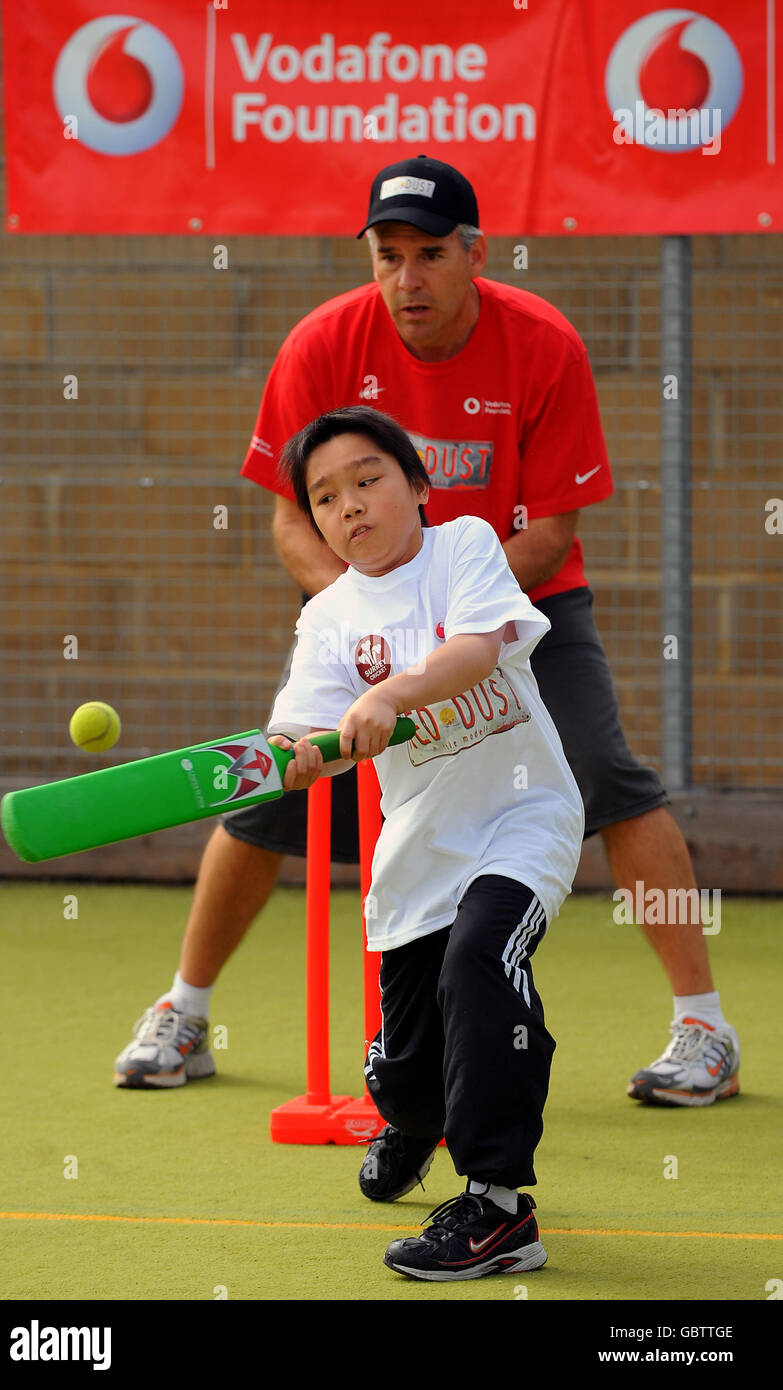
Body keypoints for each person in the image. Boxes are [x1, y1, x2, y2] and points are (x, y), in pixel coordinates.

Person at [114, 155, 739, 1111]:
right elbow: (289, 520)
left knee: (607, 779)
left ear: (475, 253)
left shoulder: (542, 344)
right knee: (278, 785)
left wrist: (449, 629)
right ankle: (184, 1010)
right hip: (369, 621)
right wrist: (374, 619)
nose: (408, 278)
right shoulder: (324, 344)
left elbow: (553, 531)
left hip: (519, 609)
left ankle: (703, 1026)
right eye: (387, 254)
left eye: (431, 254)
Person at [269, 404, 583, 1280]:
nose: (350, 506)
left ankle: (496, 1206)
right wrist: (298, 758)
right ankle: (413, 1121)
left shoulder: (464, 548)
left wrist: (389, 696)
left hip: (521, 821)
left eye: (368, 480)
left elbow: (480, 649)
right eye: (325, 497)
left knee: (480, 962)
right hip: (416, 854)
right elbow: (302, 738)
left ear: (416, 485)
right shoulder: (327, 615)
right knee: (406, 1077)